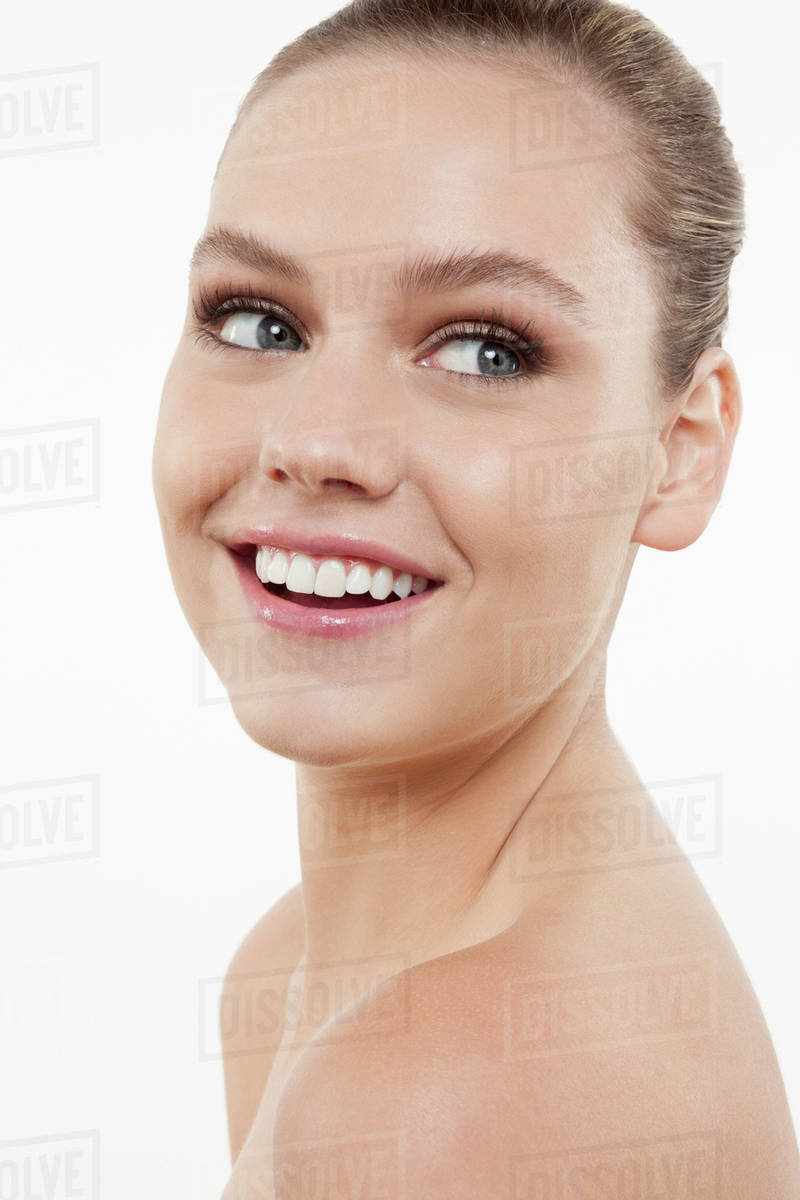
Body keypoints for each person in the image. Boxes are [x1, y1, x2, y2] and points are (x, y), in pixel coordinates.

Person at [151, 0, 800, 1194]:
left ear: (682, 446)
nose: (315, 441)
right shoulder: (288, 974)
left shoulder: (449, 1093)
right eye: (258, 319)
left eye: (483, 349)